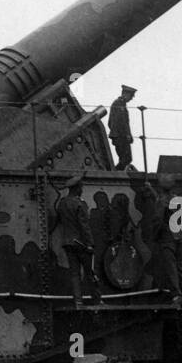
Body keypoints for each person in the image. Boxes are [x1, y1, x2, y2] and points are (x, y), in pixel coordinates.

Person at [51, 173, 102, 306]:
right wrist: (90, 244)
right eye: (81, 187)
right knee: (90, 272)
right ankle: (96, 299)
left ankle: (78, 301)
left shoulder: (62, 203)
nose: (82, 189)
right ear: (77, 188)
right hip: (81, 244)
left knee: (75, 274)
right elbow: (84, 226)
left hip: (68, 243)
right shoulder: (80, 204)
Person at [141, 173, 181, 299]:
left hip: (166, 237)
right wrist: (151, 190)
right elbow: (161, 201)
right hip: (176, 237)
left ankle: (176, 294)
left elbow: (158, 218)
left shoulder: (162, 201)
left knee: (170, 267)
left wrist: (154, 236)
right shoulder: (175, 198)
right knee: (178, 267)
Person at [108, 84, 137, 170]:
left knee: (124, 159)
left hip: (119, 136)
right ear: (125, 94)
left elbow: (111, 123)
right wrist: (127, 135)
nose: (132, 98)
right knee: (126, 159)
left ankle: (116, 172)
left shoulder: (121, 104)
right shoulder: (119, 104)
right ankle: (114, 173)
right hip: (121, 136)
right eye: (131, 96)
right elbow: (121, 123)